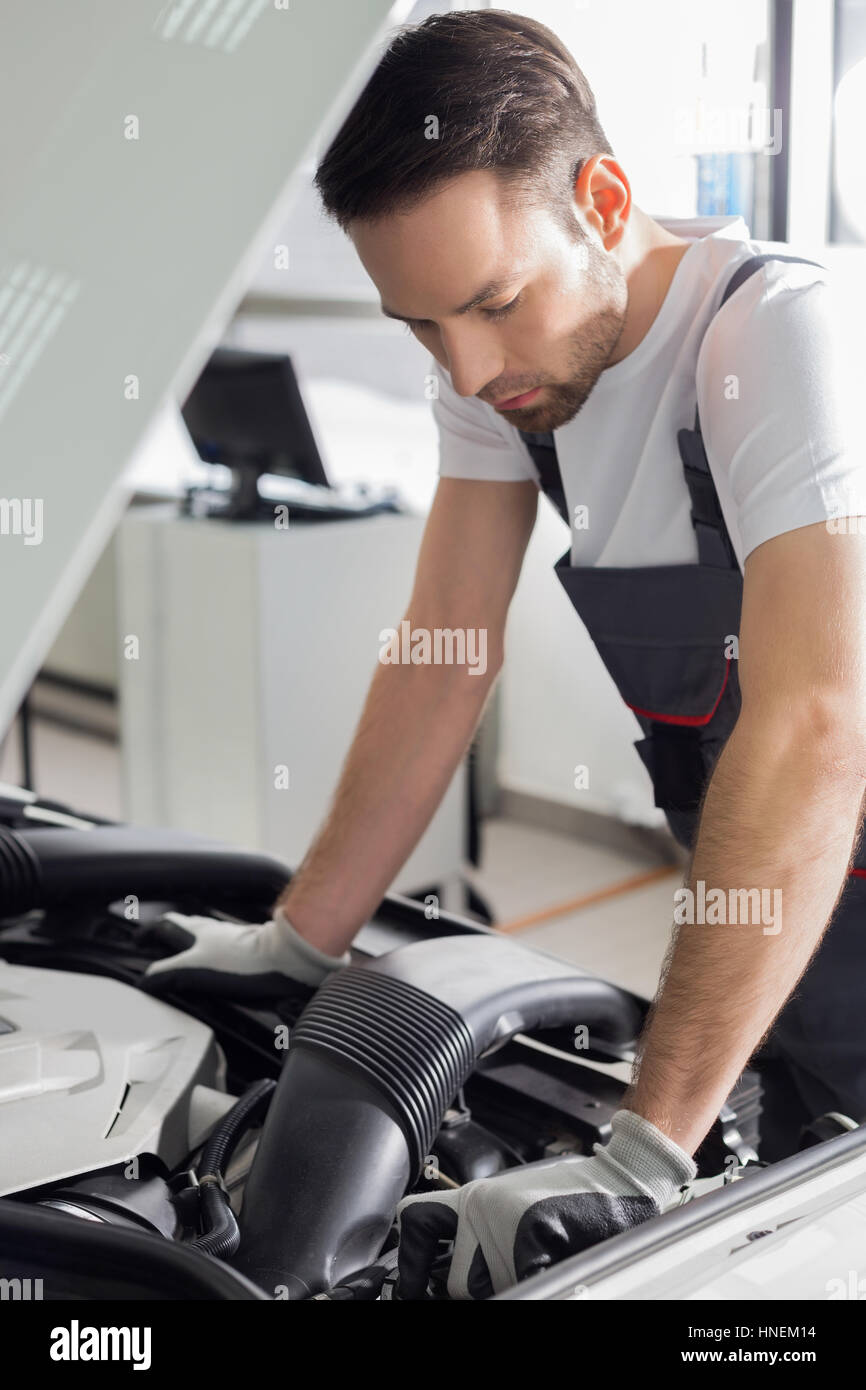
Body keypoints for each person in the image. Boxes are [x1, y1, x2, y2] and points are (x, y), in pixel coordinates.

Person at [143, 10, 866, 1297]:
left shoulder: (770, 335)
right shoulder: (502, 377)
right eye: (420, 326)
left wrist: (644, 1146)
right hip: (777, 909)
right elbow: (441, 655)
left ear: (599, 198)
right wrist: (303, 940)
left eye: (489, 304)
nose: (466, 369)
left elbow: (813, 724)